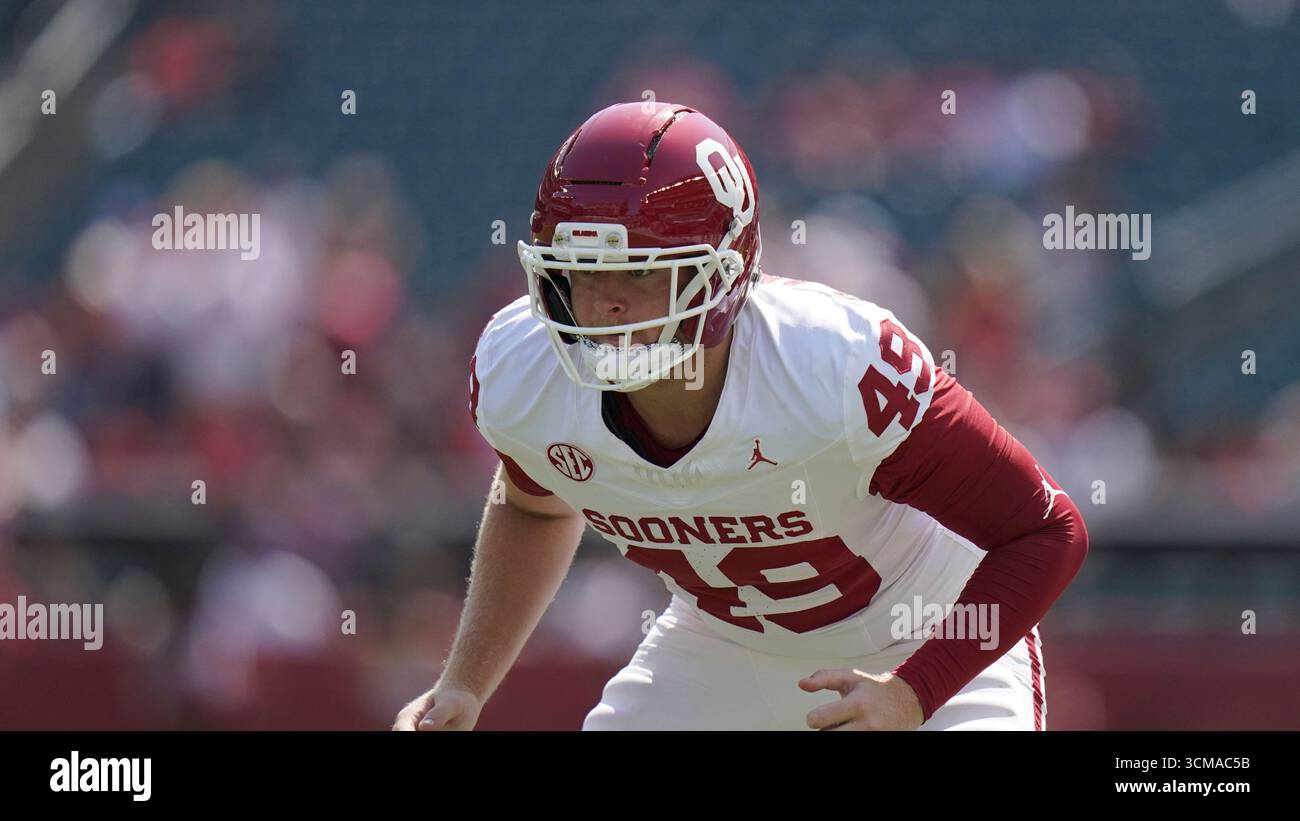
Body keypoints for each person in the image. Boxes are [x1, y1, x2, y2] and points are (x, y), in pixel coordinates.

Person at [394, 102, 1088, 731]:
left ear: (721, 273)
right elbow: (535, 506)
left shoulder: (833, 366)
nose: (602, 304)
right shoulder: (525, 366)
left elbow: (1044, 527)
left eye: (637, 272)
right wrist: (466, 681)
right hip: (722, 643)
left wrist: (915, 690)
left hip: (920, 637)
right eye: (581, 268)